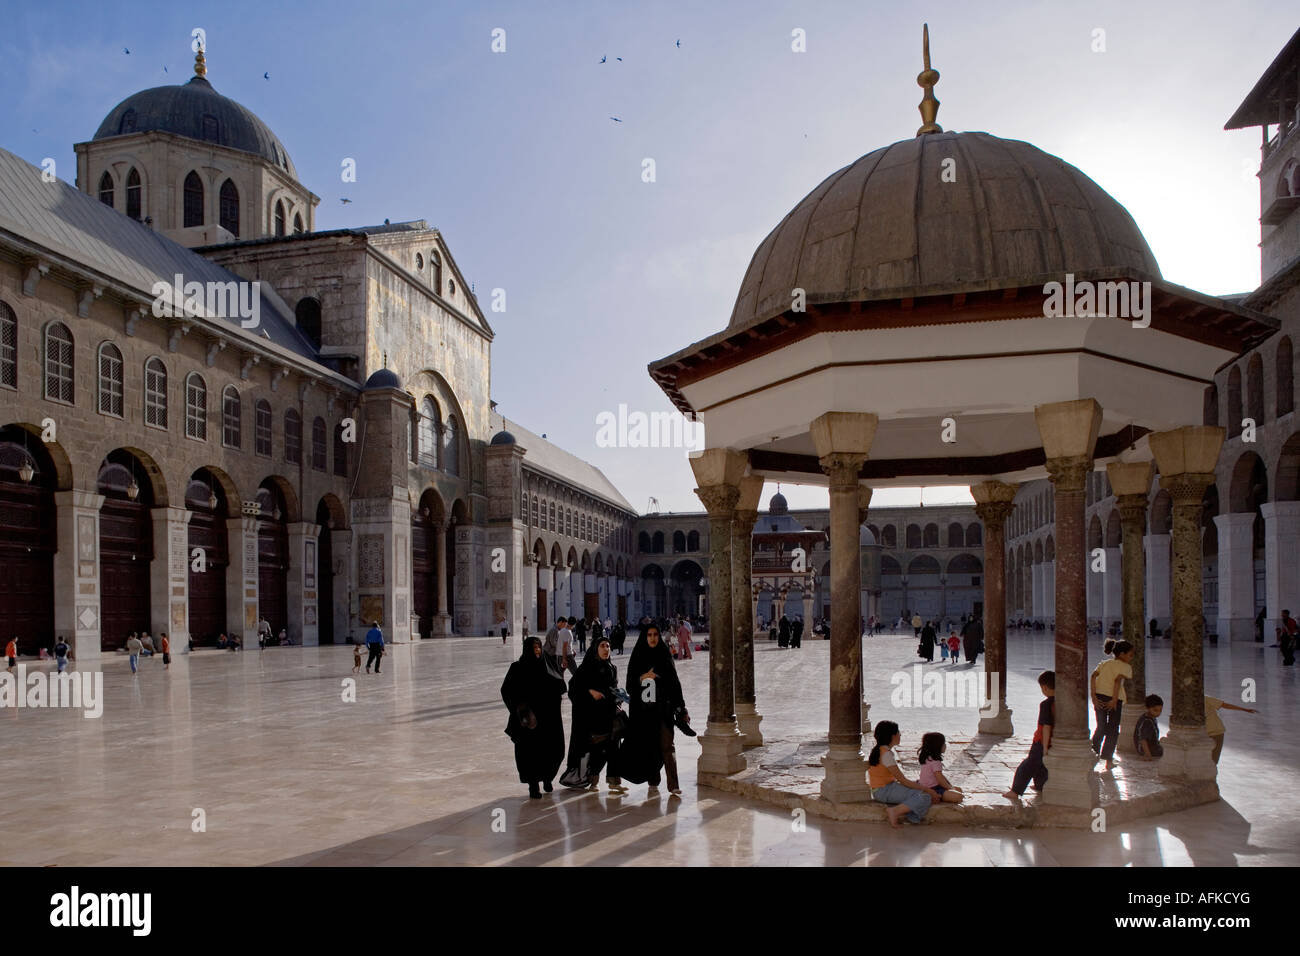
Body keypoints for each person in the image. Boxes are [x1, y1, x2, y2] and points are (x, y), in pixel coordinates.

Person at [501, 636, 568, 798]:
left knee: (553, 750)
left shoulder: (547, 664)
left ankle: (547, 778)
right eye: (534, 648)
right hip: (529, 721)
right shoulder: (517, 668)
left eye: (539, 647)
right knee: (529, 753)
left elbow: (559, 685)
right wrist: (519, 709)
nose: (537, 650)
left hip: (548, 718)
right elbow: (506, 690)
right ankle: (533, 785)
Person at [624, 624, 686, 797]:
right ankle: (653, 781)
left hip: (664, 710)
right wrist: (642, 678)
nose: (652, 638)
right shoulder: (637, 657)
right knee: (650, 746)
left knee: (668, 746)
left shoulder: (664, 656)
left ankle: (673, 784)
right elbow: (630, 686)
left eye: (655, 635)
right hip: (644, 712)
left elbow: (675, 684)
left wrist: (681, 708)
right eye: (649, 635)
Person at [565, 636, 627, 793]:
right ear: (595, 649)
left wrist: (619, 698)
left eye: (608, 646)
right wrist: (590, 692)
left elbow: (613, 688)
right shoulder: (587, 668)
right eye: (602, 646)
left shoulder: (612, 668)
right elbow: (573, 688)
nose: (606, 649)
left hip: (610, 713)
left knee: (614, 746)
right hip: (592, 715)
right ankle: (593, 780)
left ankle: (614, 781)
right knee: (598, 749)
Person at [867, 721, 937, 827]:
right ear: (892, 736)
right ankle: (895, 811)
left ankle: (911, 817)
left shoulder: (882, 750)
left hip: (885, 788)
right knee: (925, 796)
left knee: (918, 790)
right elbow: (902, 780)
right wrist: (927, 789)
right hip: (883, 791)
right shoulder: (886, 755)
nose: (900, 735)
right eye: (898, 732)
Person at [1003, 671, 1055, 800]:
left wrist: (1044, 747)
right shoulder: (1062, 703)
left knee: (1029, 765)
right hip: (1054, 740)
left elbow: (1046, 726)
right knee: (1042, 765)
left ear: (1045, 688)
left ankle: (1015, 790)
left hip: (1042, 741)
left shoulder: (1046, 704)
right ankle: (1040, 785)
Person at [1090, 639, 1135, 771]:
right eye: (1130, 655)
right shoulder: (1126, 667)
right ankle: (1108, 759)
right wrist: (1114, 699)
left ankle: (1093, 754)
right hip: (1114, 699)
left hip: (1099, 697)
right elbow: (1117, 681)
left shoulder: (1104, 663)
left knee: (1101, 727)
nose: (1131, 658)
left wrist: (1093, 696)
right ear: (1122, 654)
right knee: (1113, 729)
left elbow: (1093, 676)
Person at [1205, 695, 1257, 764]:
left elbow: (1225, 705)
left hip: (1216, 733)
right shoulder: (1189, 703)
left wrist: (1245, 709)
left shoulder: (1205, 699)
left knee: (1213, 761)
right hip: (1202, 734)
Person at [917, 732, 964, 803]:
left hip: (923, 785)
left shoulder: (927, 757)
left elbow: (941, 776)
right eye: (944, 743)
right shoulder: (936, 762)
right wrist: (950, 788)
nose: (945, 745)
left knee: (959, 789)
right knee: (959, 797)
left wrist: (950, 786)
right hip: (933, 789)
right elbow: (940, 779)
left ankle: (929, 795)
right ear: (937, 746)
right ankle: (932, 796)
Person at [1134, 694, 1164, 760]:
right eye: (1155, 710)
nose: (1158, 713)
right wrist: (1148, 754)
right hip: (1146, 749)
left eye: (1160, 710)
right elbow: (1142, 739)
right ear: (1148, 708)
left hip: (1152, 746)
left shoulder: (1151, 718)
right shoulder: (1146, 722)